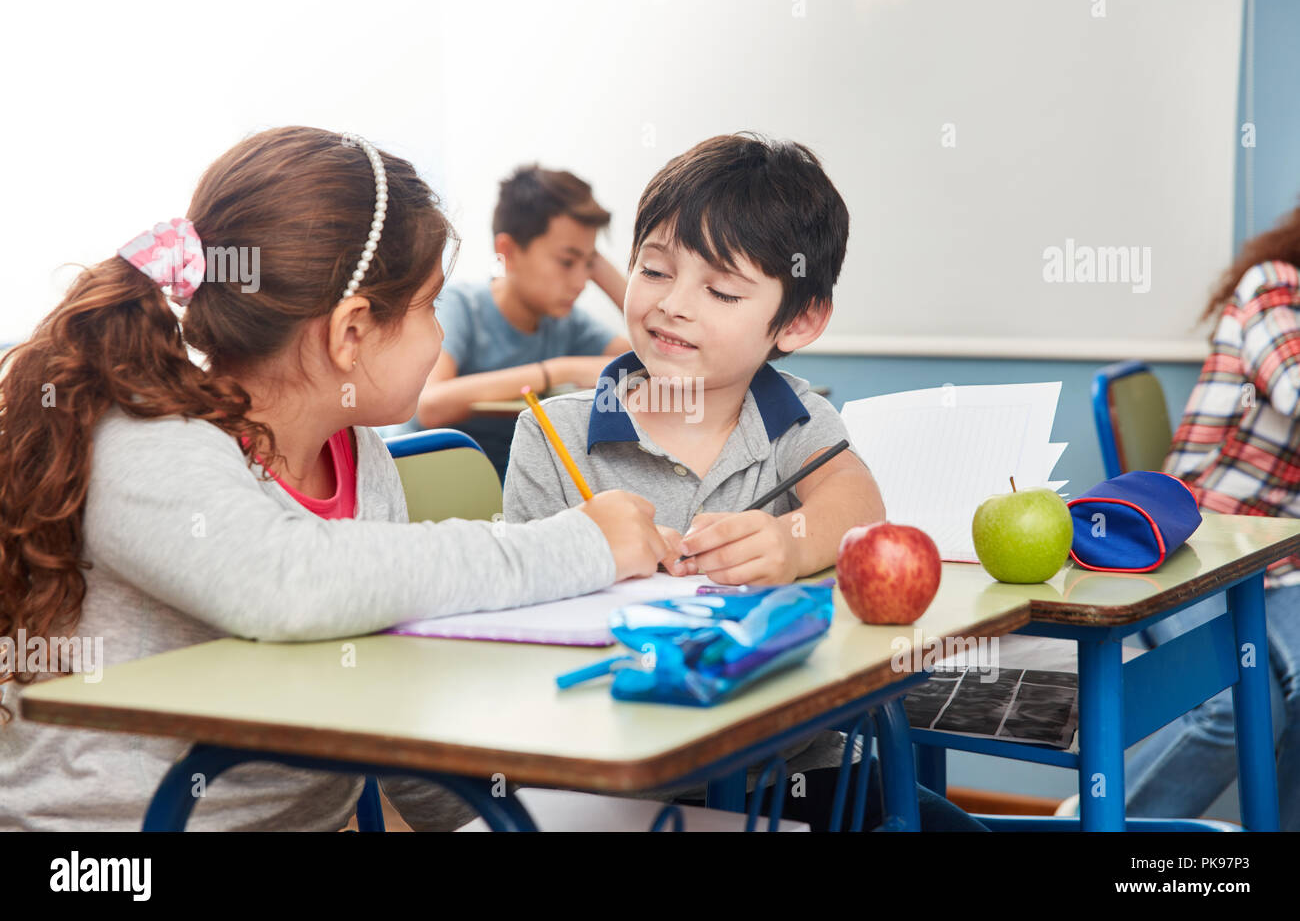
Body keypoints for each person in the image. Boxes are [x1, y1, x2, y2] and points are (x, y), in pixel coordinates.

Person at [0, 126, 669, 830]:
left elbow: (390, 708)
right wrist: (583, 545)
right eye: (430, 306)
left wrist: (518, 811)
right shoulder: (150, 439)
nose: (441, 334)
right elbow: (286, 581)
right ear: (351, 331)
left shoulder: (360, 458)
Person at [503, 132, 989, 830]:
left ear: (798, 321)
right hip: (622, 786)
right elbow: (519, 618)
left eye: (722, 290)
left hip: (797, 770)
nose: (674, 304)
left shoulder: (795, 417)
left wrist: (791, 542)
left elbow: (856, 503)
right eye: (655, 270)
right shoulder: (555, 436)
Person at [1125, 211, 1300, 829]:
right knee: (1236, 708)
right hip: (1202, 541)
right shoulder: (1272, 286)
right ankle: (1107, 823)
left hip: (1283, 562)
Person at [416, 165, 632, 480]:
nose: (581, 281)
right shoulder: (462, 306)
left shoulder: (565, 321)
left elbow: (646, 362)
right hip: (441, 485)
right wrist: (557, 371)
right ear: (508, 251)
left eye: (588, 265)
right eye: (567, 262)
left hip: (515, 492)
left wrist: (597, 264)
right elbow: (431, 405)